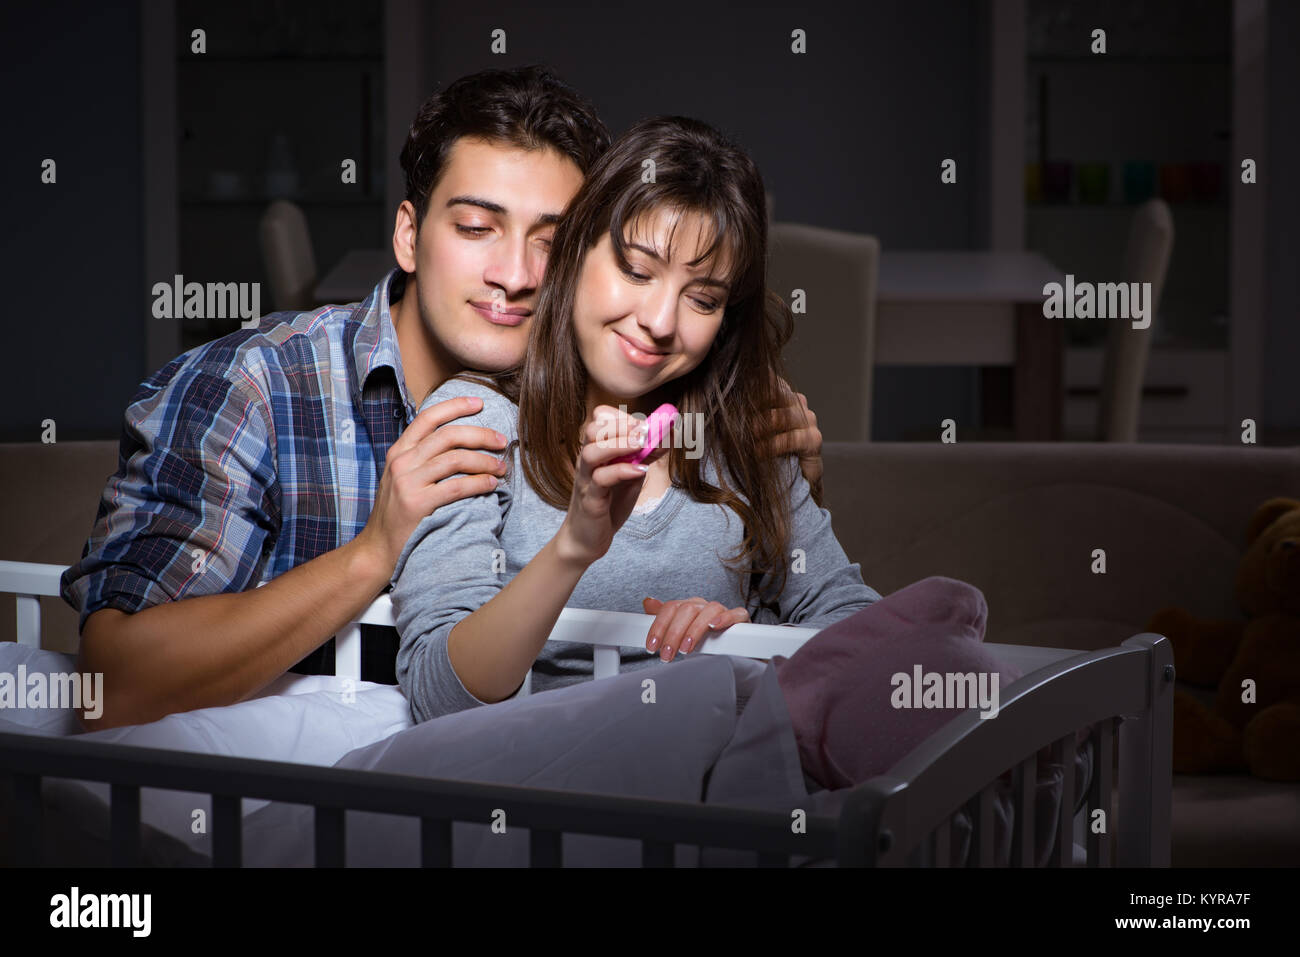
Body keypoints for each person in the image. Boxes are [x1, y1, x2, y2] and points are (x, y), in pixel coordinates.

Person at [60, 66, 826, 731]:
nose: (515, 274)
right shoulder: (258, 386)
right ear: (408, 235)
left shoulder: (621, 403)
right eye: (475, 226)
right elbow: (112, 684)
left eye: (551, 242)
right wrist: (374, 549)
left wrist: (767, 519)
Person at [392, 115, 882, 723]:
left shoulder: (746, 427)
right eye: (636, 270)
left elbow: (859, 626)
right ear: (575, 254)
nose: (659, 320)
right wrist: (573, 547)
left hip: (722, 792)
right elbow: (438, 696)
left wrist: (746, 646)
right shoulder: (474, 424)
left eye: (702, 299)